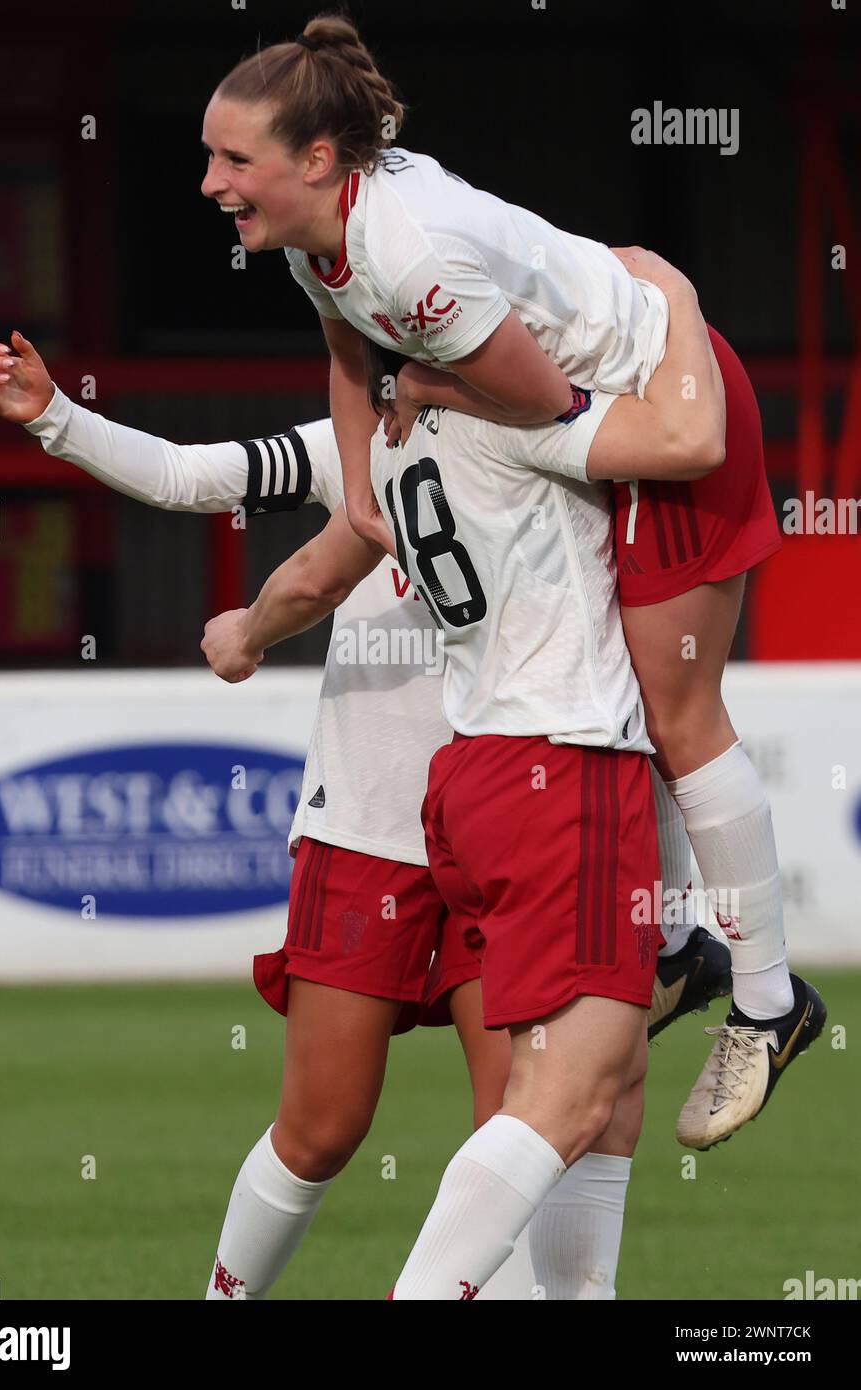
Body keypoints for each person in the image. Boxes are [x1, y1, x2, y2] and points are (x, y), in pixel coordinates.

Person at [0, 252, 724, 1298]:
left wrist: (251, 627)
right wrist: (59, 417)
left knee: (521, 1111)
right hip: (375, 817)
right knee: (324, 1124)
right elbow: (198, 477)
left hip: (506, 823)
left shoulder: (564, 440)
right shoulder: (366, 448)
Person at [199, 14, 824, 1147]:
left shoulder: (411, 257)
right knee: (626, 696)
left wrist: (432, 396)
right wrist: (358, 485)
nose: (210, 182)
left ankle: (773, 1005)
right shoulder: (318, 239)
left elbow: (536, 400)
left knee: (677, 718)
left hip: (666, 403)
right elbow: (347, 348)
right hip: (606, 414)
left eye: (234, 161)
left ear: (319, 162)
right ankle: (680, 941)